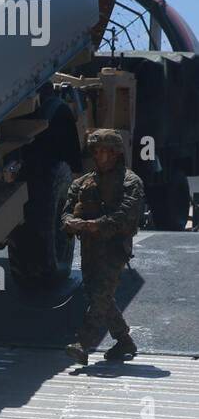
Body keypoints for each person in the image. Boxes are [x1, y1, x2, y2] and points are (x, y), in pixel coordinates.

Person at [61, 129, 144, 364]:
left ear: (116, 153)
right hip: (90, 248)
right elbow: (66, 210)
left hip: (115, 248)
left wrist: (94, 225)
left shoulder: (131, 182)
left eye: (105, 151)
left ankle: (83, 343)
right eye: (96, 151)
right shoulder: (83, 182)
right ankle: (124, 341)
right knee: (99, 296)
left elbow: (126, 214)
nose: (100, 156)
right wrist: (70, 223)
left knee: (100, 296)